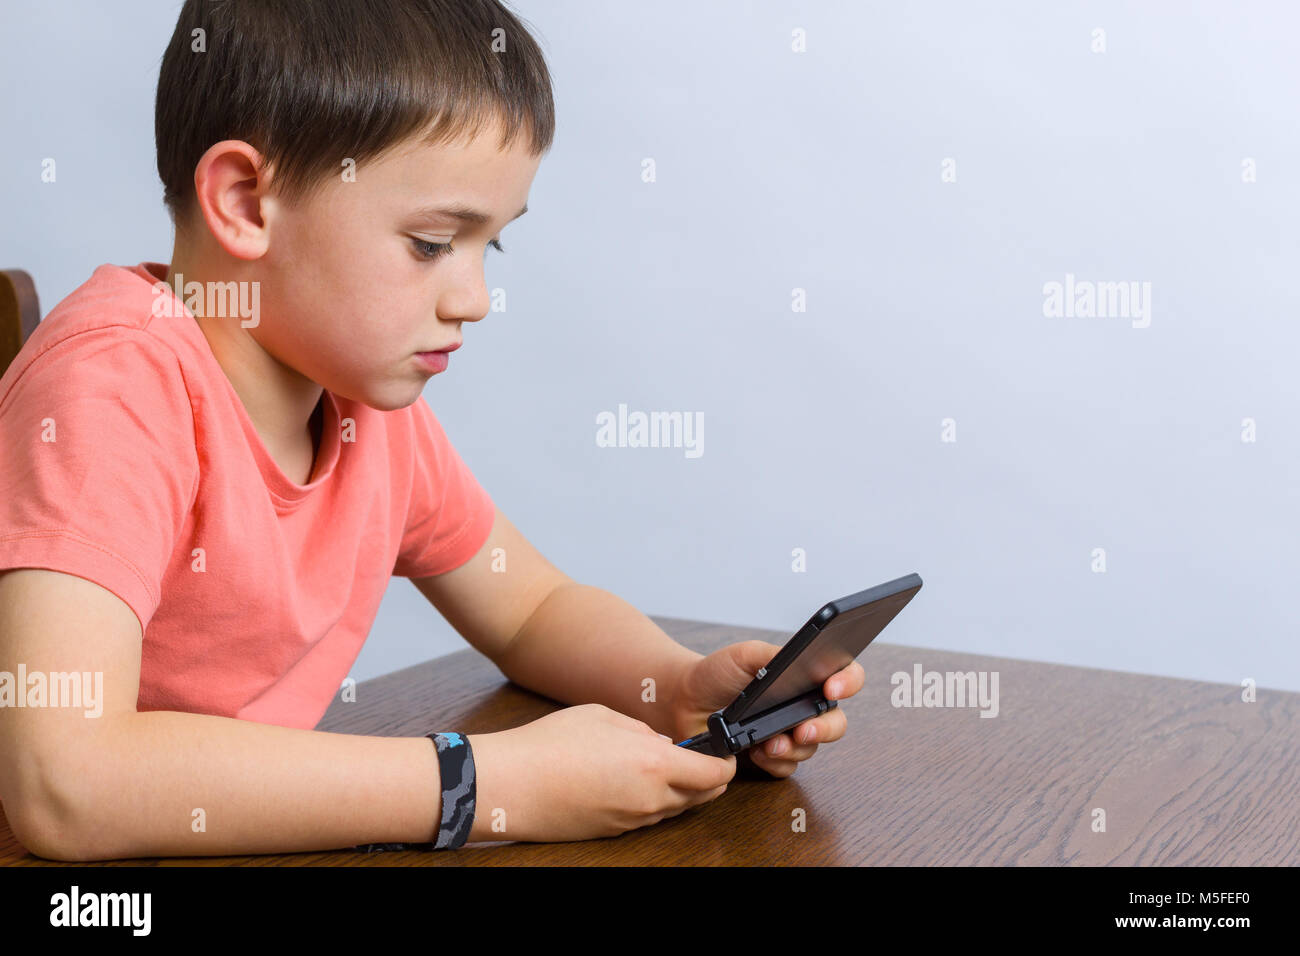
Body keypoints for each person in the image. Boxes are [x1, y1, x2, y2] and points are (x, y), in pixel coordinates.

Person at [0, 0, 863, 861]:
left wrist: (674, 686)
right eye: (430, 243)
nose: (475, 300)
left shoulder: (362, 411)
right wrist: (476, 786)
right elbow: (64, 782)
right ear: (245, 200)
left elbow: (530, 609)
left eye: (494, 247)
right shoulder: (109, 389)